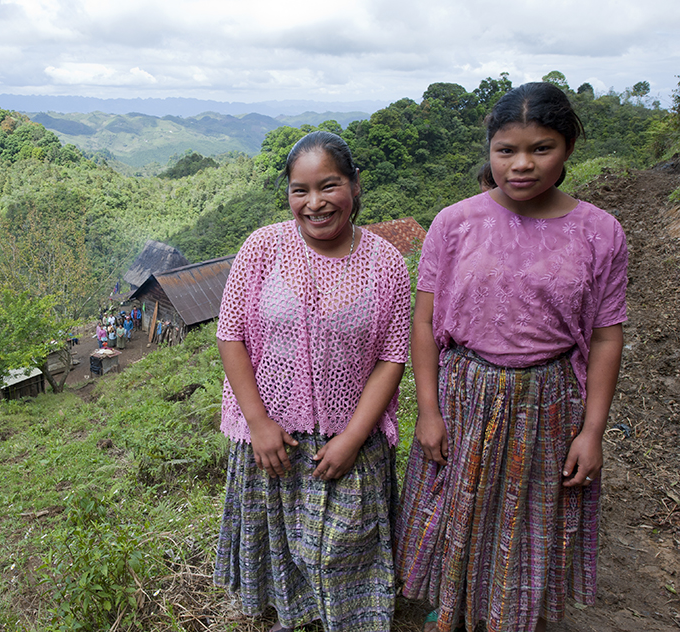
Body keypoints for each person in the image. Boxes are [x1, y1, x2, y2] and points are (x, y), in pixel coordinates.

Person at [395, 82, 628, 632]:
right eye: (506, 150)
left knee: (529, 519)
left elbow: (605, 337)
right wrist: (428, 411)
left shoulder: (599, 232)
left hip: (550, 400)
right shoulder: (455, 223)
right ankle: (450, 609)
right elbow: (424, 322)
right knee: (458, 509)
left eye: (541, 148)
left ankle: (512, 616)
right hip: (465, 393)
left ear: (568, 148)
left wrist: (592, 432)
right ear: (490, 151)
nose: (521, 164)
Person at [213, 130, 411, 632]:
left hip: (351, 438)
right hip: (274, 438)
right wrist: (258, 424)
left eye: (329, 186)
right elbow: (231, 335)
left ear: (355, 184)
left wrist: (352, 438)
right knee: (281, 546)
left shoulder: (385, 262)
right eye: (300, 190)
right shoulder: (263, 248)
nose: (315, 203)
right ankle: (294, 618)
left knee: (345, 547)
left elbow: (392, 357)